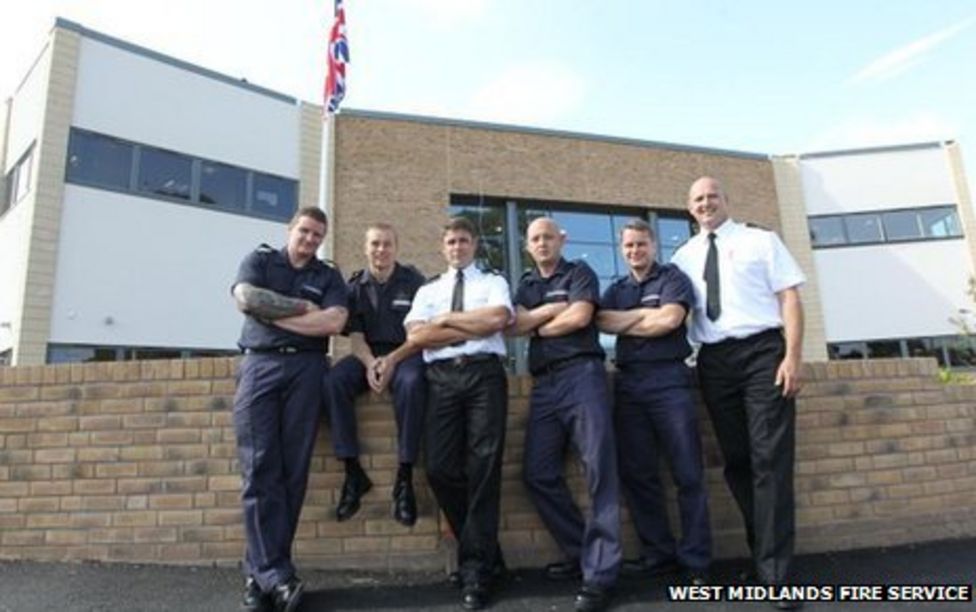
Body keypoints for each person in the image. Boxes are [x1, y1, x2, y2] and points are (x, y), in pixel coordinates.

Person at [671, 177, 805, 610]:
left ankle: (777, 576)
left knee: (770, 461)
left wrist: (793, 356)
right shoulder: (682, 256)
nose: (705, 203)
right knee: (739, 462)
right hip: (714, 362)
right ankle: (762, 557)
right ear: (689, 209)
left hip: (763, 354)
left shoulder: (760, 240)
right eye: (697, 200)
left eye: (712, 196)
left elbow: (790, 299)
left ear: (726, 200)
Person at [230, 206, 349, 612]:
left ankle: (261, 576)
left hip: (307, 369)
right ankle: (274, 576)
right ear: (290, 229)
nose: (310, 239)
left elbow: (333, 323)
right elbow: (246, 297)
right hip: (260, 364)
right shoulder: (260, 260)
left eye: (318, 234)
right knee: (259, 467)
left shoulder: (328, 275)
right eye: (305, 231)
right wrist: (301, 309)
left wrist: (271, 313)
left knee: (292, 473)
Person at [400, 216, 513, 611]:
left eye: (464, 241)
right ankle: (485, 551)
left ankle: (476, 570)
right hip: (442, 379)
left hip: (484, 376)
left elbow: (498, 320)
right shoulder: (429, 288)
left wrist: (444, 320)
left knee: (484, 466)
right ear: (442, 246)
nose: (457, 247)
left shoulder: (493, 282)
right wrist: (471, 325)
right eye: (451, 241)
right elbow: (416, 336)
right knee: (440, 468)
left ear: (474, 244)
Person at [511, 218, 621, 612]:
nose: (542, 243)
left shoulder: (580, 271)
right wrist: (554, 308)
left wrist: (538, 323)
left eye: (548, 237)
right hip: (544, 386)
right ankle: (581, 552)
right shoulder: (525, 283)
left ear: (562, 240)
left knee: (599, 470)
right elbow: (515, 325)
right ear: (528, 246)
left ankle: (601, 574)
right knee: (537, 473)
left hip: (582, 377)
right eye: (535, 239)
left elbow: (579, 318)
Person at [596, 218, 711, 585]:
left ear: (653, 245)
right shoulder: (615, 289)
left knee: (688, 473)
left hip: (669, 382)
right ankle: (659, 553)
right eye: (628, 246)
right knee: (639, 475)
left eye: (641, 244)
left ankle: (696, 562)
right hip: (629, 386)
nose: (635, 251)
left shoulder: (673, 278)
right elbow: (603, 321)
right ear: (622, 249)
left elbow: (671, 320)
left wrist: (631, 322)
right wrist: (647, 315)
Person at [325, 223, 427, 527]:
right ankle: (353, 473)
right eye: (375, 244)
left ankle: (405, 477)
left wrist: (392, 361)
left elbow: (419, 334)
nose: (381, 250)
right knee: (332, 382)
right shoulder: (354, 286)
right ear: (365, 247)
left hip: (405, 353)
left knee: (412, 383)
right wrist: (371, 363)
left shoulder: (414, 281)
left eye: (387, 244)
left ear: (396, 248)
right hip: (367, 353)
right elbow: (355, 337)